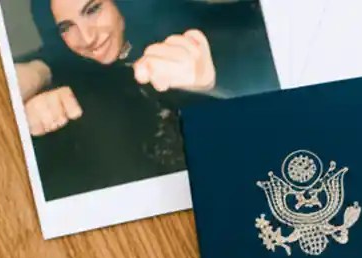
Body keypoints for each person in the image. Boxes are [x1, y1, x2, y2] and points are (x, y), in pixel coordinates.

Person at [17, 0, 279, 200]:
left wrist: (215, 74)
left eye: (93, 9)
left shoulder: (180, 23)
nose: (86, 39)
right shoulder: (71, 73)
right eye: (66, 27)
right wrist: (33, 77)